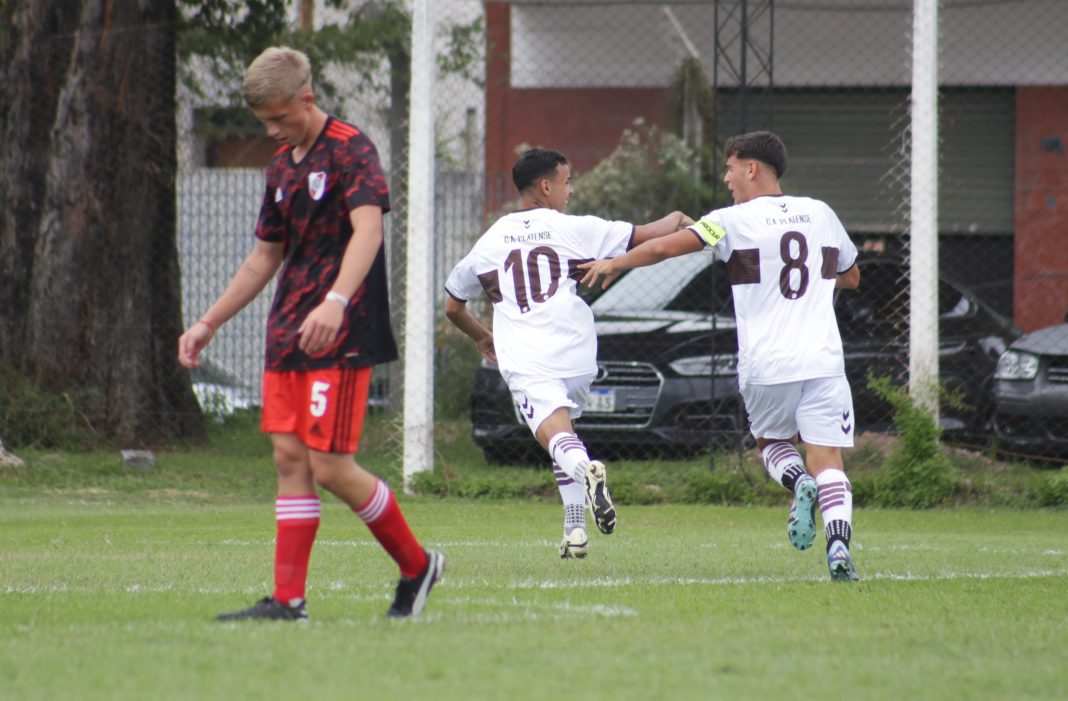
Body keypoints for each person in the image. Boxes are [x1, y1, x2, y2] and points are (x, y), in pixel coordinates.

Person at [178, 46, 443, 620]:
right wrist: (208, 322)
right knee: (289, 461)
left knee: (329, 466)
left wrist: (336, 301)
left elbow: (368, 232)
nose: (272, 130)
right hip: (288, 334)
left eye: (280, 117)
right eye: (264, 122)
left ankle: (418, 565)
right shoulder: (280, 167)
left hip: (341, 333)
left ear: (307, 98)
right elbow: (263, 257)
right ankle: (287, 600)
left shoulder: (352, 149)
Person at [580, 131, 862, 582]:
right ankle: (840, 549)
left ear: (751, 168)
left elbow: (666, 247)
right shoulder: (822, 213)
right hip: (825, 362)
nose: (726, 177)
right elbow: (851, 277)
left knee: (772, 445)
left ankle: (797, 484)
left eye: (730, 167)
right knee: (827, 457)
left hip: (768, 364)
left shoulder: (729, 221)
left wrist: (616, 263)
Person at [444, 148, 692, 559]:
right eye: (567, 181)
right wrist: (681, 218)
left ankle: (588, 471)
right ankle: (575, 530)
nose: (570, 190)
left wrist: (479, 336)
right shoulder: (577, 229)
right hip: (577, 353)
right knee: (566, 434)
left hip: (528, 356)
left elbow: (453, 305)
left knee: (559, 440)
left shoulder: (490, 241)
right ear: (546, 186)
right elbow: (651, 233)